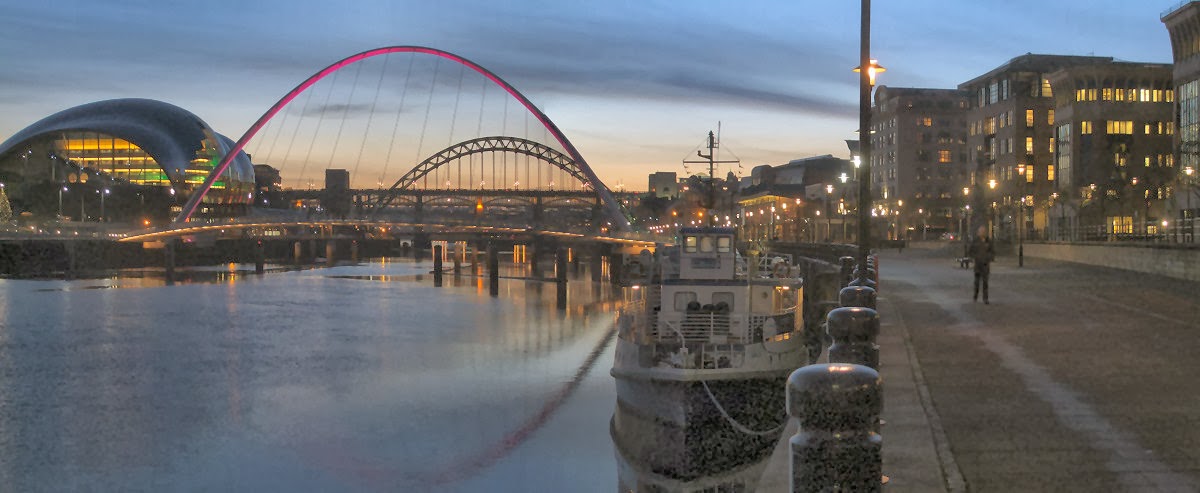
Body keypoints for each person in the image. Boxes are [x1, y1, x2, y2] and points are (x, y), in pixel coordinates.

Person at [968, 225, 995, 304]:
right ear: (978, 232)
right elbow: (970, 251)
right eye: (981, 232)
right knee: (976, 282)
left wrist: (989, 257)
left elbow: (992, 251)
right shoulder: (975, 241)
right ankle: (975, 296)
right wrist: (975, 257)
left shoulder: (988, 241)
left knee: (985, 282)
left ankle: (985, 298)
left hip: (985, 265)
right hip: (978, 264)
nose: (982, 233)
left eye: (984, 232)